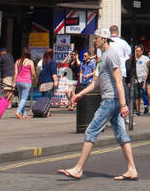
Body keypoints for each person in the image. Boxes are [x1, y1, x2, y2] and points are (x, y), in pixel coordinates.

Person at [59, 28, 138, 181]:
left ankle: (78, 168)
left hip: (111, 100)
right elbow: (97, 83)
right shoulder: (103, 57)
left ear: (104, 39)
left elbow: (119, 81)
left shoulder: (111, 55)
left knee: (91, 131)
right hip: (112, 100)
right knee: (121, 134)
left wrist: (123, 104)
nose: (94, 41)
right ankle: (132, 169)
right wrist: (80, 94)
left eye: (96, 38)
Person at [14, 50, 35, 118]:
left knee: (21, 98)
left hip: (19, 81)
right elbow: (33, 72)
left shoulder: (17, 61)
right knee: (24, 98)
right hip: (26, 81)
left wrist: (14, 82)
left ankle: (24, 114)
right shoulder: (30, 62)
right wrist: (35, 78)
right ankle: (18, 112)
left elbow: (15, 73)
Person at [135, 46, 150, 115]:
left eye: (139, 51)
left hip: (143, 79)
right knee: (136, 95)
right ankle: (138, 111)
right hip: (135, 79)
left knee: (143, 94)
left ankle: (146, 107)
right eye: (136, 51)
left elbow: (148, 69)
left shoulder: (146, 59)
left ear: (142, 51)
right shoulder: (133, 58)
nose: (137, 52)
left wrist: (145, 79)